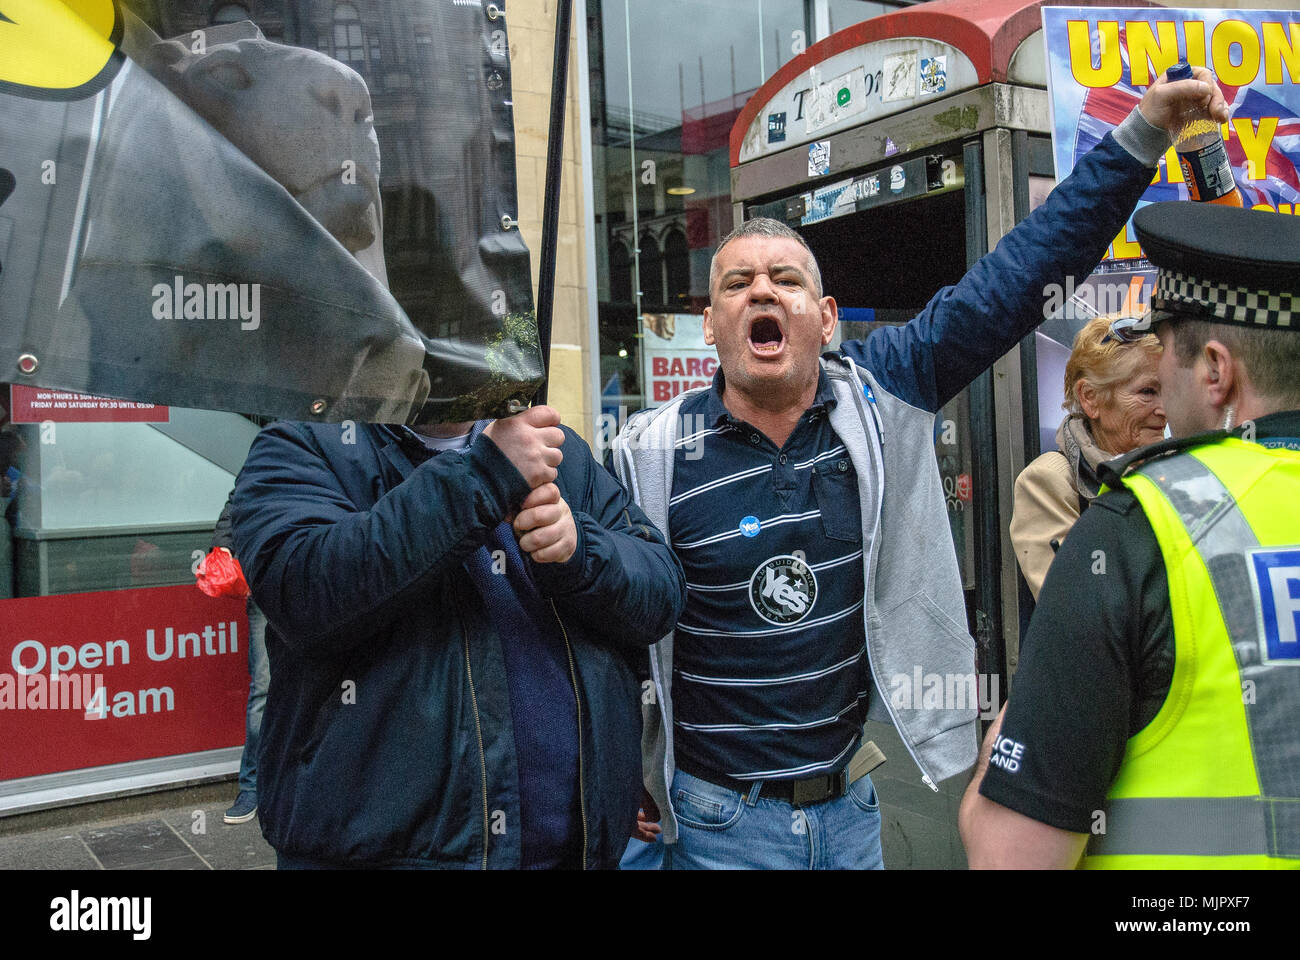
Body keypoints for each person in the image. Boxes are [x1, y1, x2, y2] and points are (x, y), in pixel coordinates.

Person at [613, 68, 1228, 869]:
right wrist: (622, 768)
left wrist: (1140, 134)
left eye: (786, 279)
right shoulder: (651, 455)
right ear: (713, 324)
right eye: (738, 283)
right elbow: (604, 623)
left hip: (851, 815)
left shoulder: (883, 394)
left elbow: (1018, 277)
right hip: (716, 823)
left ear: (824, 319)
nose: (762, 289)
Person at [959, 201, 1300, 869]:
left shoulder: (1141, 526)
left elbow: (1009, 857)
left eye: (1162, 368)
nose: (1159, 402)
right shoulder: (1077, 491)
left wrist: (1003, 742)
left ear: (1215, 370)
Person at [230, 406, 685, 868]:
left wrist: (581, 551)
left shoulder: (555, 448)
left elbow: (660, 592)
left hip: (576, 849)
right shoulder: (307, 444)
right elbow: (305, 594)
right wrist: (484, 475)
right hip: (392, 855)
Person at [1011, 314, 1166, 599]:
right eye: (1148, 392)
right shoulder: (1049, 480)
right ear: (1090, 397)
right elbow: (1078, 607)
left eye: (1168, 391)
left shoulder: (1172, 469)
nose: (1164, 409)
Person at [208, 491, 270, 825]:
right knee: (264, 687)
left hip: (316, 582)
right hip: (267, 585)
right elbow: (237, 502)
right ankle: (253, 786)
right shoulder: (275, 449)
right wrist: (224, 547)